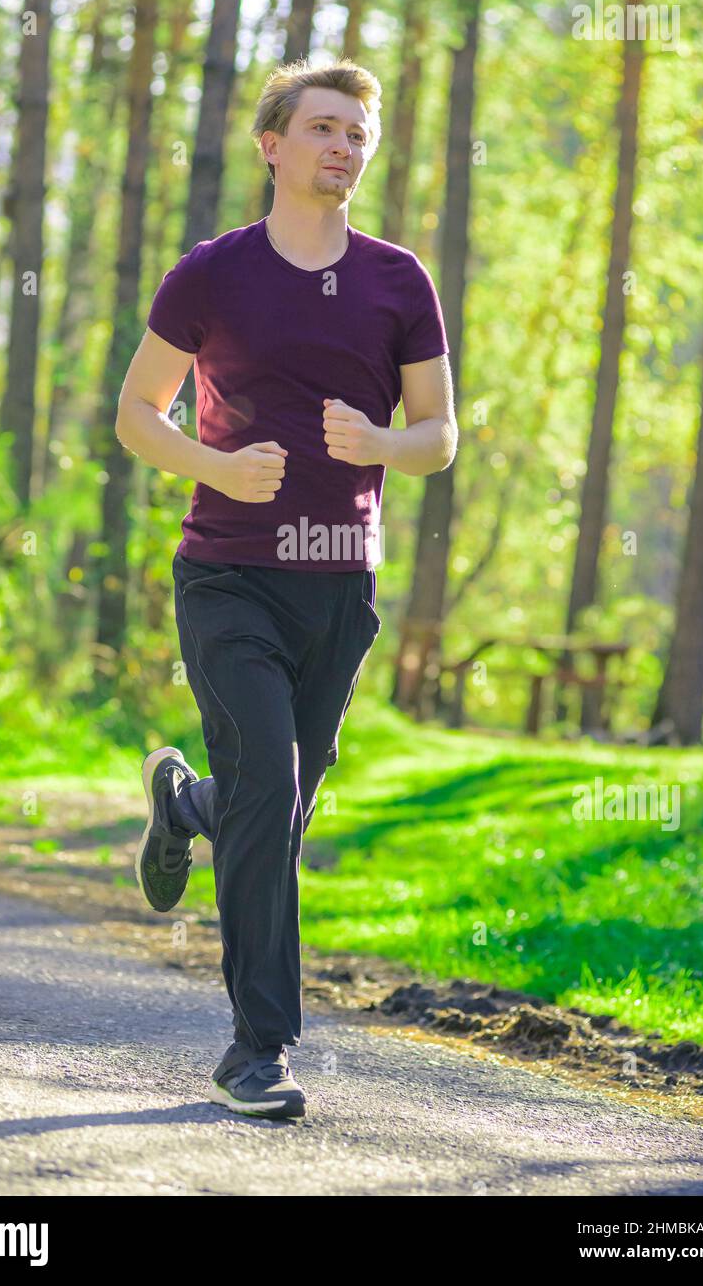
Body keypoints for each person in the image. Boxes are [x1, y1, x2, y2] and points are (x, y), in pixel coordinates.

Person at [116, 57, 457, 1120]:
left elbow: (440, 437)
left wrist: (380, 442)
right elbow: (137, 412)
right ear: (272, 144)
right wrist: (213, 466)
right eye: (323, 127)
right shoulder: (211, 274)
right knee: (271, 778)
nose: (343, 146)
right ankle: (257, 1048)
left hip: (338, 584)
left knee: (281, 802)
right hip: (227, 574)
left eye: (358, 131)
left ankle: (187, 802)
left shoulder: (400, 280)